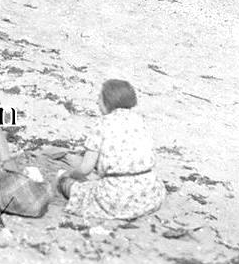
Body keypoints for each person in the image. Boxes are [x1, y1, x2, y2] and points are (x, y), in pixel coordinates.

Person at [57, 80, 165, 222]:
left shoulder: (102, 124)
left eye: (99, 98)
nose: (97, 102)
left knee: (66, 183)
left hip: (115, 198)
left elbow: (85, 169)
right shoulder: (140, 120)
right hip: (150, 194)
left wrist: (67, 175)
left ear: (108, 100)